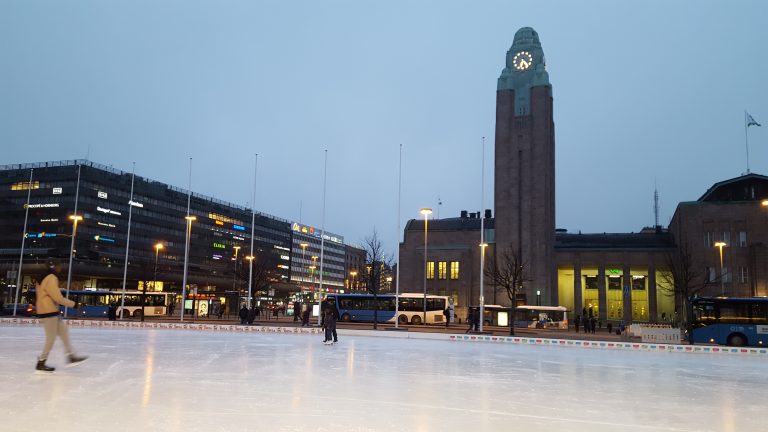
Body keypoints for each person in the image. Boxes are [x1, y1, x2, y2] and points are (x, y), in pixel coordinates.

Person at [35, 261, 88, 373]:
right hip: (48, 312)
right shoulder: (51, 277)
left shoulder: (43, 278)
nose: (60, 268)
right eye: (58, 266)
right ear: (53, 267)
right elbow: (58, 298)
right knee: (51, 339)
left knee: (63, 332)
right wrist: (75, 304)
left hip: (49, 311)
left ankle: (71, 356)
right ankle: (41, 362)